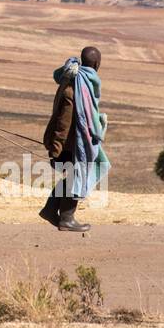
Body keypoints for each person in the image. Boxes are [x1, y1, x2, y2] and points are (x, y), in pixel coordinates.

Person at [40, 45, 109, 232]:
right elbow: (64, 121)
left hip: (77, 142)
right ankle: (66, 218)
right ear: (96, 63)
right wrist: (56, 148)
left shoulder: (78, 81)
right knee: (77, 176)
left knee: (74, 175)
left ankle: (51, 209)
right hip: (71, 144)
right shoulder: (76, 88)